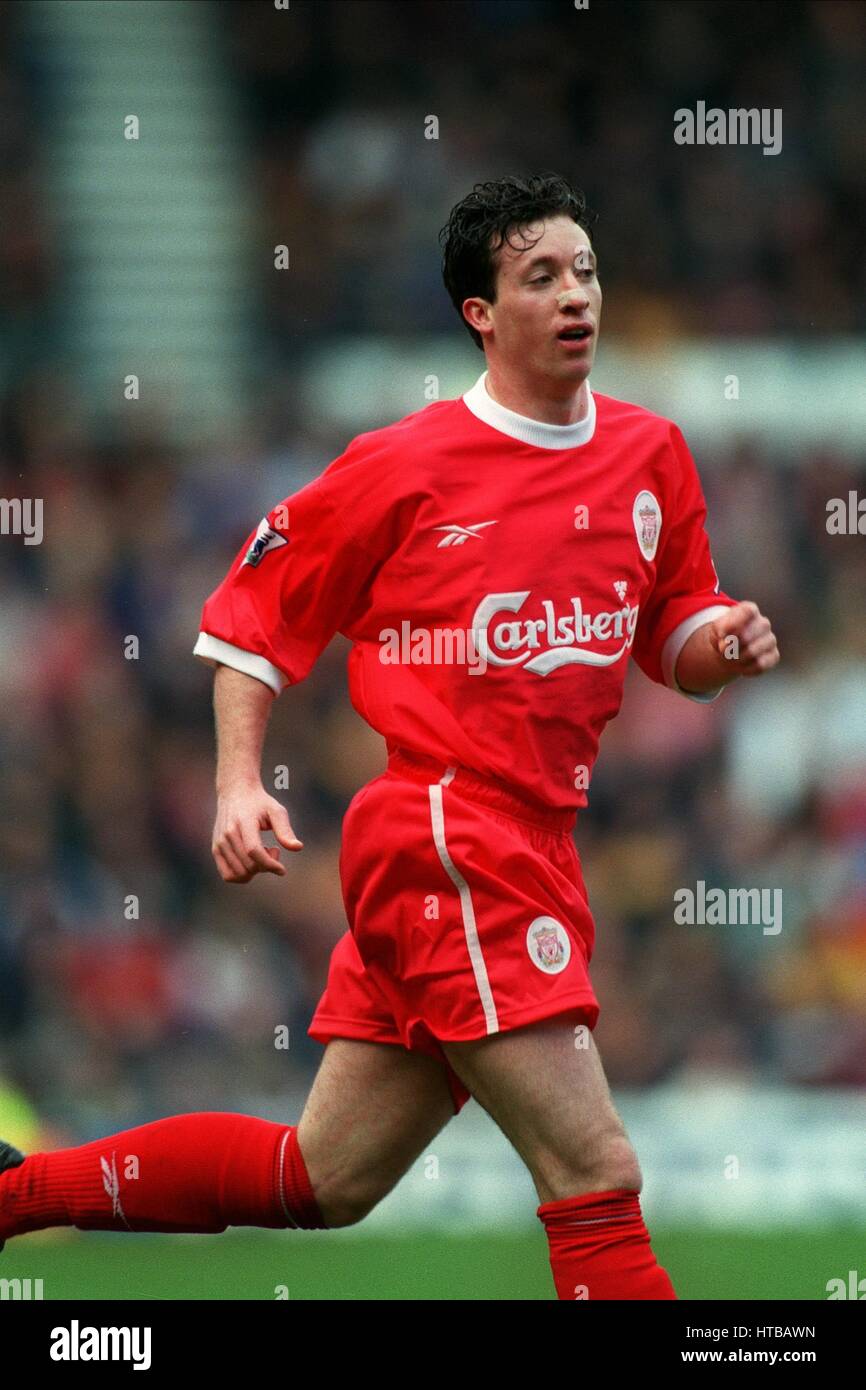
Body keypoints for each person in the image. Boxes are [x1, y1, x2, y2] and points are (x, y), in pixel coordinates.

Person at [0, 173, 779, 1299]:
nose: (576, 297)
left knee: (323, 1176)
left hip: (534, 840)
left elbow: (669, 630)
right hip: (448, 834)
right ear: (480, 313)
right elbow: (252, 619)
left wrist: (721, 641)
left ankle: (15, 1198)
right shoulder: (404, 466)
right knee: (594, 1169)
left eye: (586, 270)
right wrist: (235, 782)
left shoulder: (650, 452)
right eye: (541, 277)